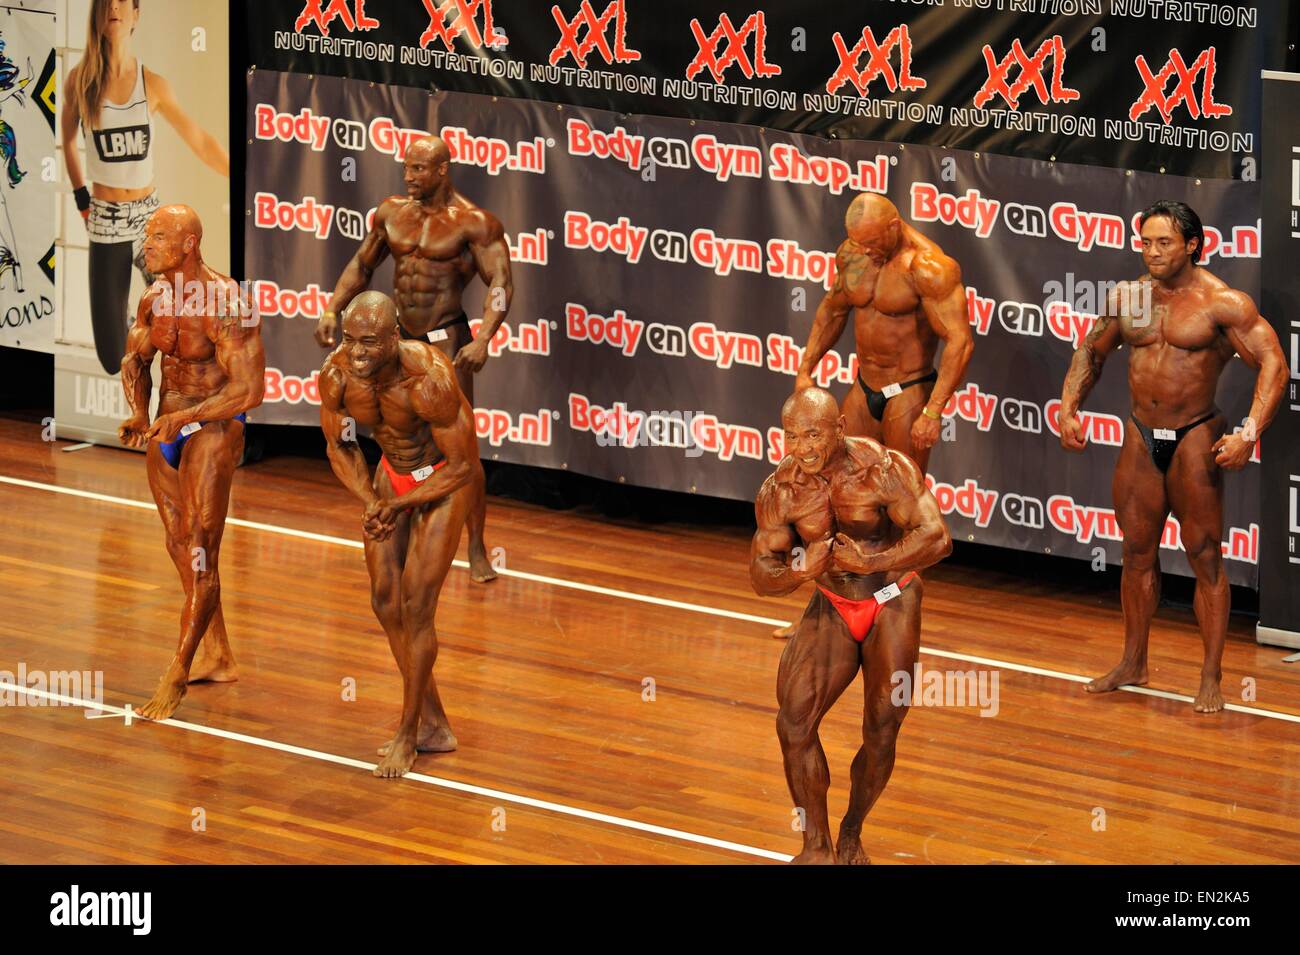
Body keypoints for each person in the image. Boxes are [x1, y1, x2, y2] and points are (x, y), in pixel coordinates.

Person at [1059, 199, 1286, 713]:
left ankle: (1211, 677)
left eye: (1164, 242)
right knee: (1136, 553)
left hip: (1194, 437)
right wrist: (1069, 405)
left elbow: (1273, 363)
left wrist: (1249, 432)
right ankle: (1133, 661)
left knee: (1204, 556)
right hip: (1142, 434)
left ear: (1192, 245)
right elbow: (1091, 351)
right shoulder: (1132, 298)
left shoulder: (1221, 304)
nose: (1153, 252)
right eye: (1145, 242)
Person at [750, 387, 951, 863]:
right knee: (793, 722)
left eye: (814, 434)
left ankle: (851, 831)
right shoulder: (781, 489)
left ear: (840, 429)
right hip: (834, 602)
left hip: (891, 599)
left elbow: (938, 539)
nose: (804, 448)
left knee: (882, 728)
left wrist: (871, 561)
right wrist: (799, 571)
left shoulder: (882, 469)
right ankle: (815, 846)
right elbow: (761, 572)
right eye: (793, 437)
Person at [315, 135, 510, 584]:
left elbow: (500, 281)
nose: (409, 177)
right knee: (395, 430)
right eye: (406, 169)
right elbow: (363, 265)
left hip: (446, 338)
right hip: (396, 338)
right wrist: (333, 307)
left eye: (419, 170)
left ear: (443, 169)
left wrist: (484, 337)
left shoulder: (473, 223)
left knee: (463, 448)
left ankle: (476, 545)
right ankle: (398, 515)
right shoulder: (391, 213)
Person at [776, 193, 969, 639]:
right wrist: (807, 366)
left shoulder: (930, 268)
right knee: (828, 493)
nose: (863, 252)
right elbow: (833, 308)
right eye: (856, 244)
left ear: (893, 225)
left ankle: (889, 609)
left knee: (898, 507)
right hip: (864, 389)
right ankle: (824, 603)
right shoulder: (854, 254)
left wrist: (934, 409)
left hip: (910, 392)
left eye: (870, 244)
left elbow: (959, 341)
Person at [319, 291, 483, 777]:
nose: (358, 352)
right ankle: (434, 721)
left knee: (416, 605)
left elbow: (462, 466)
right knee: (385, 601)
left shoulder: (428, 378)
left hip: (442, 484)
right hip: (391, 478)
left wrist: (398, 504)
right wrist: (370, 501)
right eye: (350, 340)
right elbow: (339, 446)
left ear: (395, 337)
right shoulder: (338, 374)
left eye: (369, 342)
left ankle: (409, 734)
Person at [118, 205, 263, 721]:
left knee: (202, 545)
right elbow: (135, 361)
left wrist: (190, 418)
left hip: (215, 427)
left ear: (189, 246)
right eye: (147, 236)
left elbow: (250, 390)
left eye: (157, 237)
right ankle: (218, 654)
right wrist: (139, 411)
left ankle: (177, 671)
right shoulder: (154, 298)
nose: (147, 245)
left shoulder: (227, 303)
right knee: (179, 544)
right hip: (167, 426)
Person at [62, 0, 229, 376]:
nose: (116, 8)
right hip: (106, 220)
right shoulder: (80, 80)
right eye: (107, 3)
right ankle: (143, 360)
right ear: (99, 16)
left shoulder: (151, 83)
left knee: (187, 317)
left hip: (147, 220)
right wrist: (81, 198)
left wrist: (242, 171)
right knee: (111, 356)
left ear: (136, 15)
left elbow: (199, 140)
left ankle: (180, 403)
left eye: (124, 2)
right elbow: (68, 142)